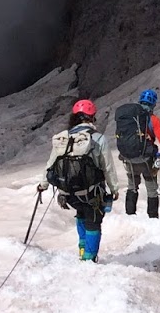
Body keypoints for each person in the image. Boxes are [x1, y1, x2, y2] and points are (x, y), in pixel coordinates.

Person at [40, 99, 119, 262]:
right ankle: (89, 259)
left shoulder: (64, 139)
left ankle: (82, 251)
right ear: (92, 117)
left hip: (68, 193)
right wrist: (114, 188)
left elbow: (50, 164)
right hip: (92, 192)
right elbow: (108, 167)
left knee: (81, 215)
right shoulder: (98, 139)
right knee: (93, 221)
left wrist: (43, 185)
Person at [114, 88, 160, 219]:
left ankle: (130, 216)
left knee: (132, 187)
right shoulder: (153, 119)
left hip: (129, 157)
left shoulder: (130, 118)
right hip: (147, 159)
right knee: (151, 189)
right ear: (154, 104)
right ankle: (152, 218)